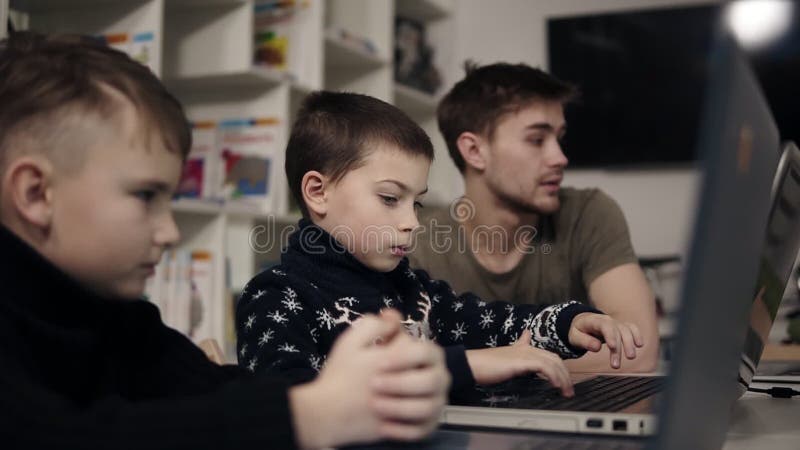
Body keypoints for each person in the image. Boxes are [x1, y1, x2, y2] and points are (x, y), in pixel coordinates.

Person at [0, 31, 450, 449]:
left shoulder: (114, 316)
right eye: (145, 195)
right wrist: (305, 415)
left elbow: (216, 388)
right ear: (36, 193)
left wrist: (365, 389)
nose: (170, 231)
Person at [236, 91, 644, 396]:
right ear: (317, 192)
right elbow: (298, 407)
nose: (412, 222)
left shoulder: (411, 288)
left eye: (416, 202)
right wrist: (460, 366)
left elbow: (486, 320)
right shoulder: (275, 298)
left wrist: (567, 323)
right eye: (391, 199)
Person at [409, 62, 660, 372]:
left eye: (559, 138)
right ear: (474, 151)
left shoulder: (589, 213)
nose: (560, 158)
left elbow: (639, 349)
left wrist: (498, 368)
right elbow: (404, 365)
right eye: (537, 140)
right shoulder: (415, 240)